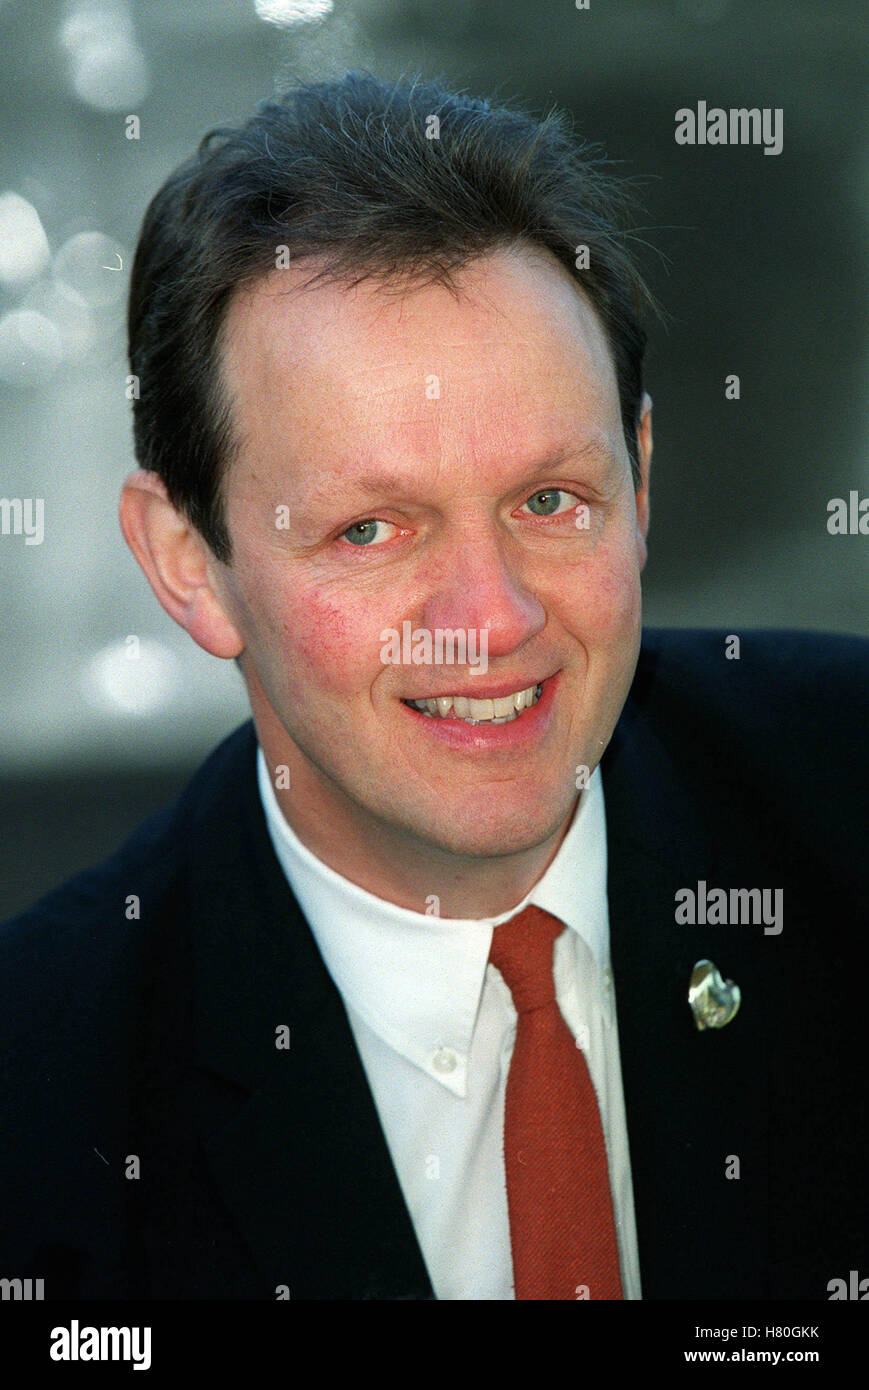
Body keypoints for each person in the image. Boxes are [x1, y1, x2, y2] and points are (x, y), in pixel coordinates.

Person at [1, 72, 866, 1302]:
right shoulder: (41, 1106)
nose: (491, 622)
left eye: (550, 501)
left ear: (642, 481)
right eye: (370, 530)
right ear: (190, 566)